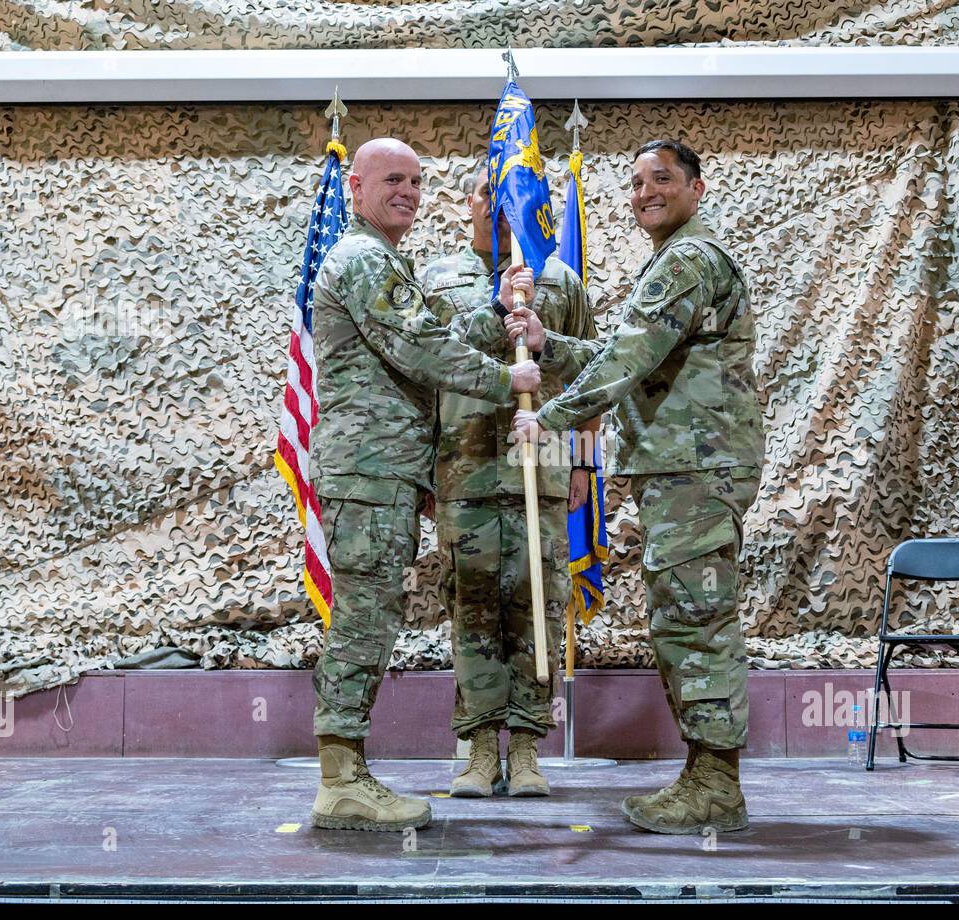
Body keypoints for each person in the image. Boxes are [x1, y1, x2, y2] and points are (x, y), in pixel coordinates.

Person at [510, 139, 763, 834]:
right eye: (635, 182)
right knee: (683, 615)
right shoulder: (678, 258)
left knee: (696, 621)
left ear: (697, 187)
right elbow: (635, 350)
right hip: (686, 466)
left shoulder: (687, 259)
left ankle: (716, 782)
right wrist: (549, 343)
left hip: (696, 467)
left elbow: (629, 355)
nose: (645, 191)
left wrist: (552, 418)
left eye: (662, 178)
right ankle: (707, 773)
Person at [307, 137, 540, 831]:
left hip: (384, 474)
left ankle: (348, 771)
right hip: (368, 474)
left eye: (416, 180)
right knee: (361, 622)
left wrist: (496, 316)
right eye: (392, 179)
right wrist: (508, 377)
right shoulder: (361, 259)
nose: (407, 191)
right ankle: (340, 780)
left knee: (372, 619)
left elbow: (430, 331)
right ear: (355, 185)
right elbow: (422, 348)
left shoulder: (384, 261)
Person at [422, 165, 600, 798]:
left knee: (536, 608)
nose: (498, 209)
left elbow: (589, 375)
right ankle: (475, 746)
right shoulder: (437, 279)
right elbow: (422, 368)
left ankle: (525, 747)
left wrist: (580, 461)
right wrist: (423, 471)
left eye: (513, 198)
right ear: (465, 203)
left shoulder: (558, 279)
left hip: (542, 466)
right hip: (463, 466)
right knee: (469, 607)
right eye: (485, 195)